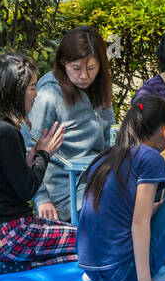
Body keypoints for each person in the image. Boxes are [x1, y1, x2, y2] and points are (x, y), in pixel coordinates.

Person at [77, 97, 165, 281]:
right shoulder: (150, 157)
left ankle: (124, 270)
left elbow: (111, 213)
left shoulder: (106, 157)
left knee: (157, 208)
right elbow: (139, 223)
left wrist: (156, 210)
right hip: (123, 273)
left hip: (91, 270)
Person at [0, 52, 77, 267]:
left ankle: (8, 262)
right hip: (13, 235)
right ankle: (19, 265)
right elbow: (27, 190)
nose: (35, 94)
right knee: (91, 240)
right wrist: (44, 154)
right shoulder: (6, 132)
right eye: (31, 88)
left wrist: (27, 163)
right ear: (14, 92)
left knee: (71, 234)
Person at [23, 26, 116, 221]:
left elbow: (109, 143)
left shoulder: (99, 89)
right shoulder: (49, 94)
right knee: (121, 214)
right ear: (63, 63)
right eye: (76, 68)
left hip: (99, 182)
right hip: (68, 194)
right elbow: (28, 149)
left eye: (91, 68)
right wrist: (41, 198)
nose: (84, 76)